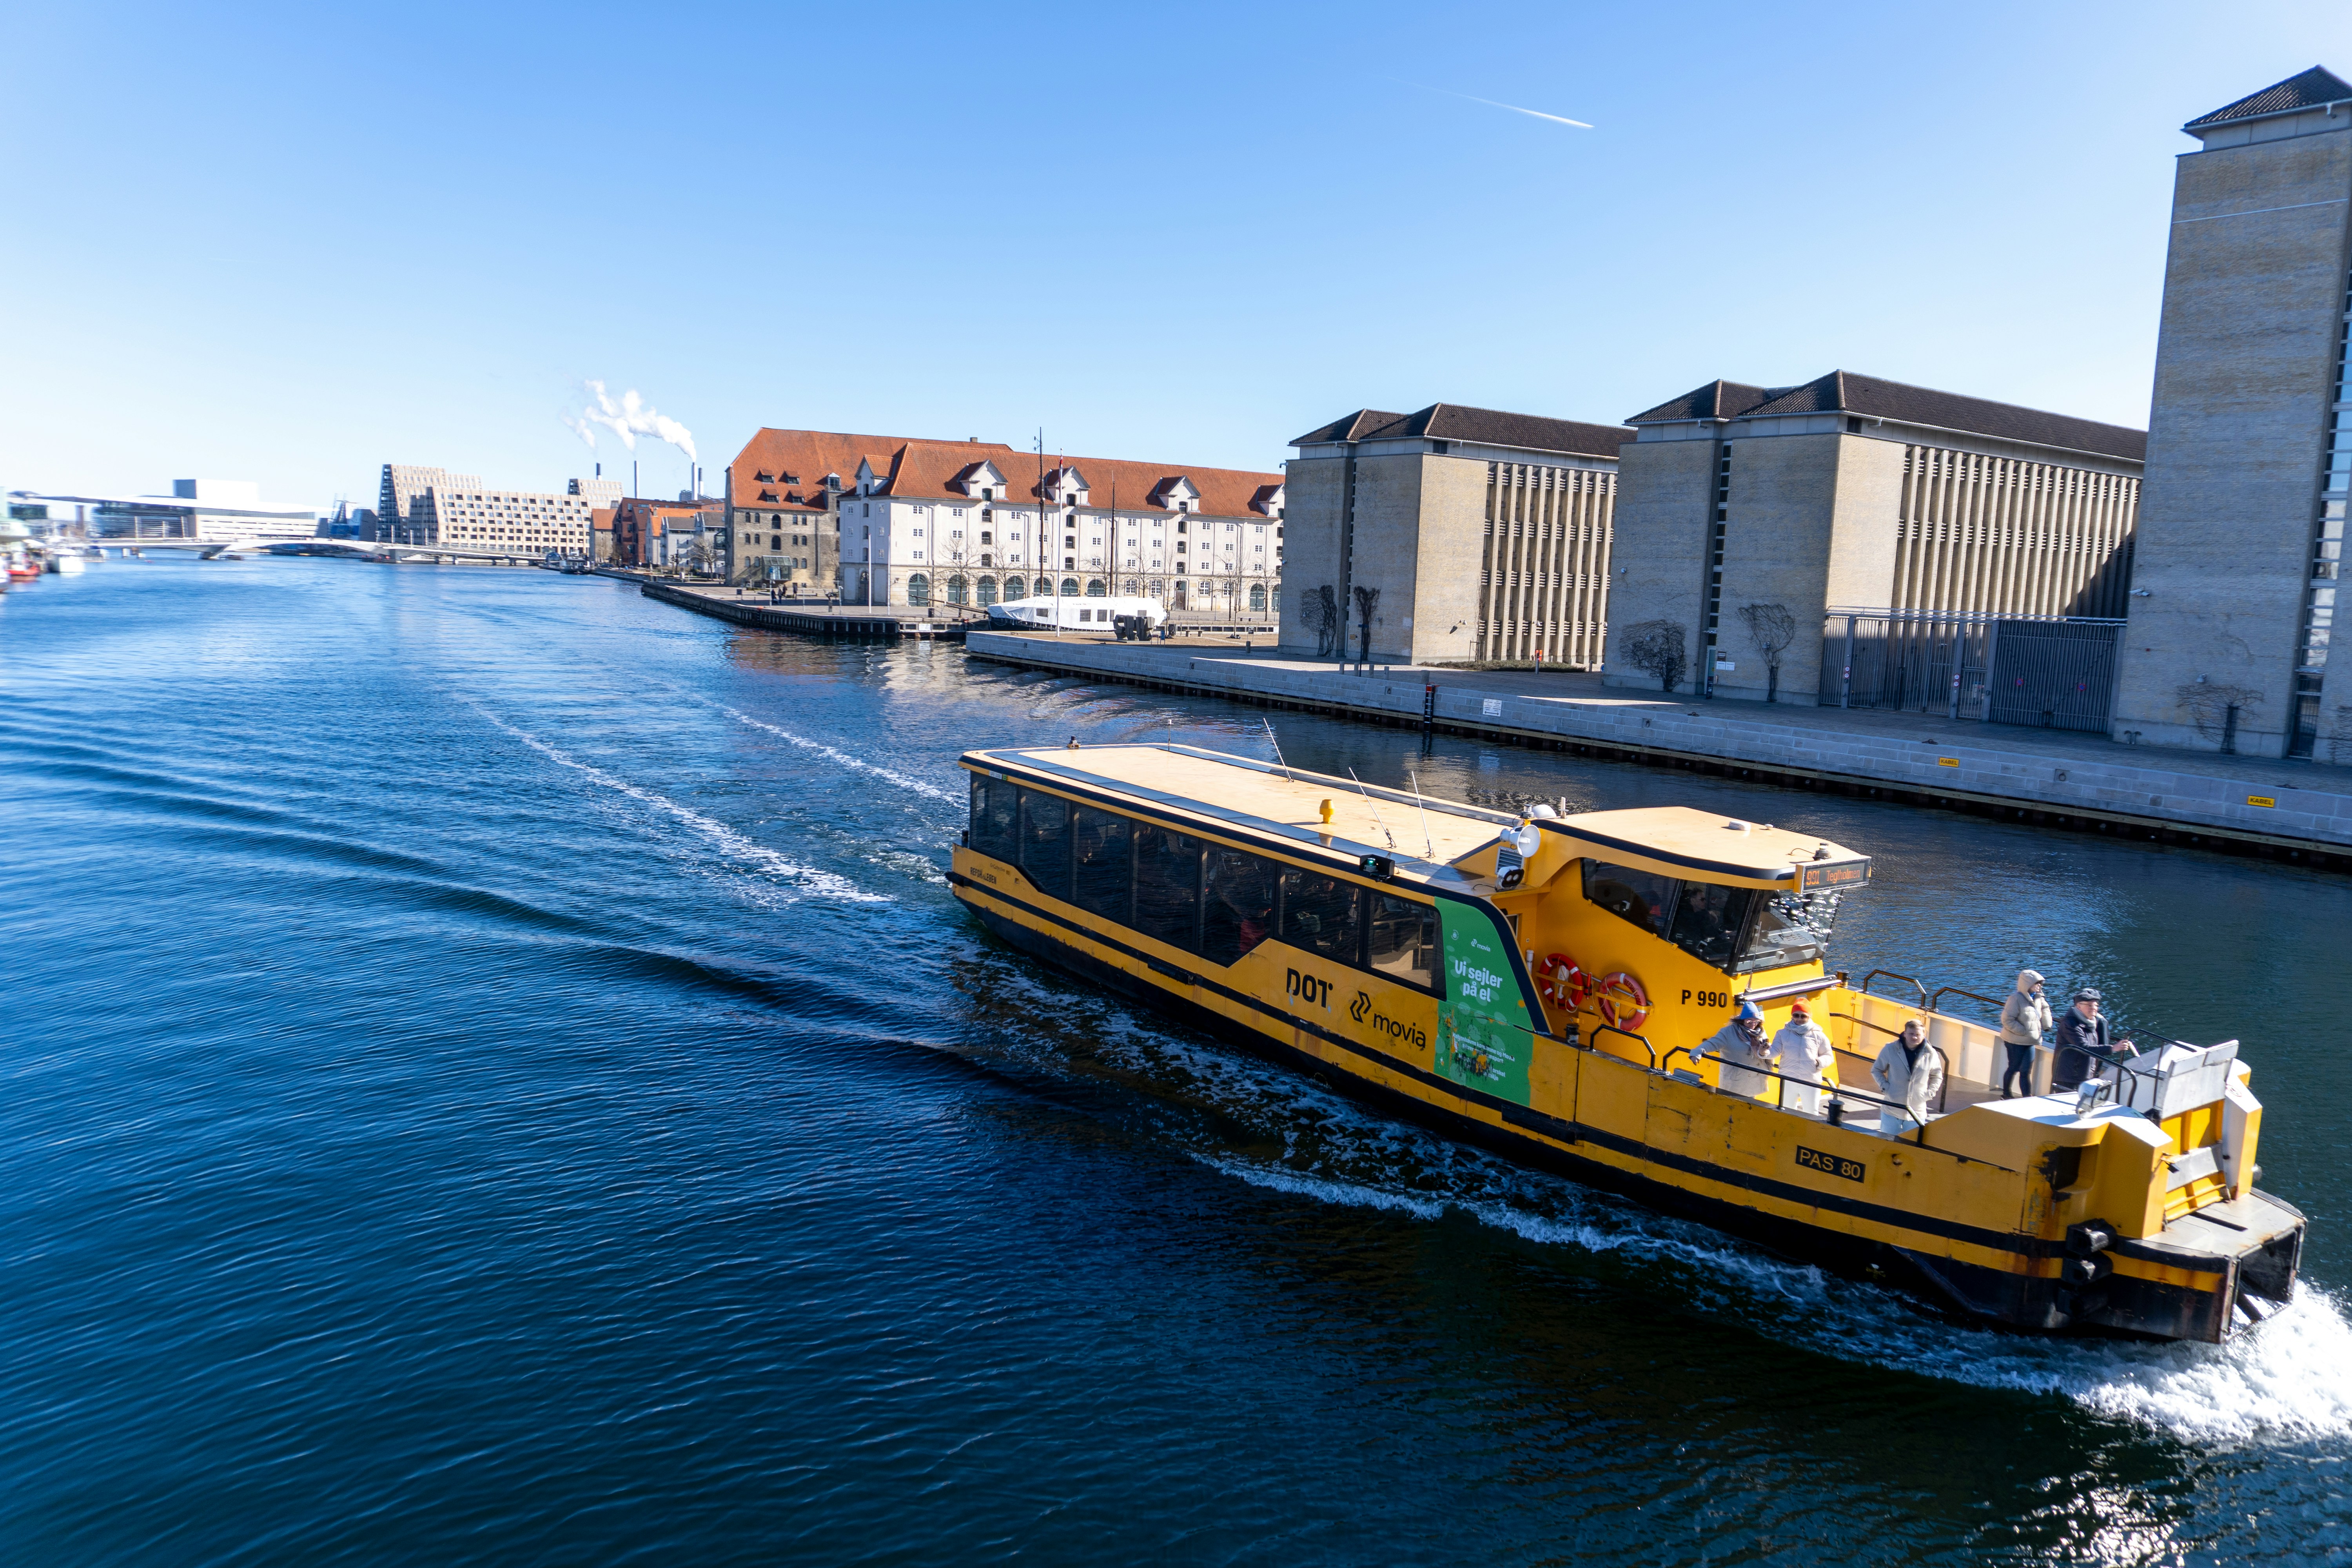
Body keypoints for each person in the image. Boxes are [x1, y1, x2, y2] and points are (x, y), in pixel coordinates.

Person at [2052, 988, 2132, 1096]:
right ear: (2079, 1007)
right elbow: (2084, 1048)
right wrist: (2112, 1048)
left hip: (2085, 1074)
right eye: (2090, 1005)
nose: (2094, 1008)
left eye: (2096, 1005)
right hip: (2069, 1077)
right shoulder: (2070, 1024)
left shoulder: (2091, 1022)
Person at [1871, 1018, 1943, 1135]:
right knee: (1887, 1144)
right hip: (1892, 1110)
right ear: (1905, 1034)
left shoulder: (1931, 1054)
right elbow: (1877, 1070)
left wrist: (1930, 1093)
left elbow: (1937, 1076)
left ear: (1924, 1035)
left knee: (1912, 1145)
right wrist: (1887, 1089)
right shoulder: (1890, 1049)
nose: (1915, 1037)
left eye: (1918, 1035)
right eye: (1911, 1034)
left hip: (1917, 1111)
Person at [1704, 1000, 1779, 1101]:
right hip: (1735, 1082)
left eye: (1756, 1021)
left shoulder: (1760, 1031)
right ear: (1743, 1020)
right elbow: (1713, 1042)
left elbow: (1768, 1051)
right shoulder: (1729, 1031)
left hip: (1753, 1081)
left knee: (1749, 1106)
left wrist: (1768, 1067)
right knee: (1728, 1105)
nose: (1753, 1024)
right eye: (1749, 1021)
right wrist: (1699, 1051)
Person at [1773, 1000, 1837, 1115]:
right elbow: (1774, 1051)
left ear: (1810, 1016)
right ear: (1792, 1016)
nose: (1799, 1019)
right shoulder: (1782, 1033)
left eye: (1803, 1016)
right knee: (1787, 1111)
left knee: (1811, 1113)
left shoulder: (1819, 1036)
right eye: (1796, 1015)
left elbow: (1829, 1056)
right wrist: (1763, 1053)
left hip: (1811, 1081)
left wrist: (1819, 1063)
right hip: (1788, 1079)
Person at [1998, 969, 2054, 1099]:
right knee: (2013, 1068)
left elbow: (2045, 1009)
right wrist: (2024, 1032)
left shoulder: (2039, 998)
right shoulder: (2016, 999)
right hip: (2015, 1042)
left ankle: (2027, 1098)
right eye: (2037, 983)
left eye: (2040, 984)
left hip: (2030, 1042)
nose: (2040, 986)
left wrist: (2047, 1025)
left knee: (2026, 1071)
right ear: (2028, 984)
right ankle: (2006, 1094)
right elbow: (2007, 1020)